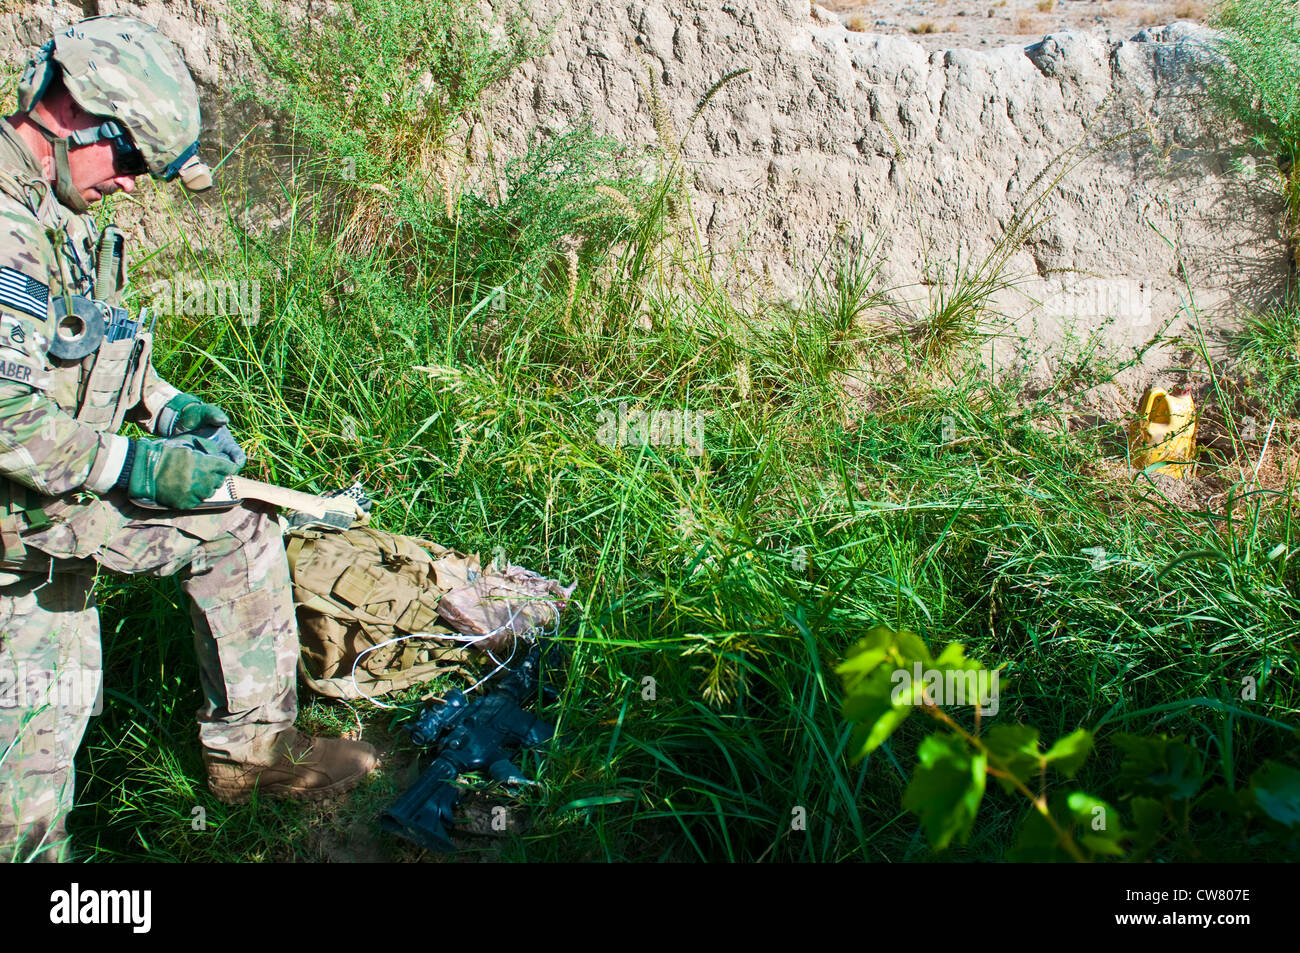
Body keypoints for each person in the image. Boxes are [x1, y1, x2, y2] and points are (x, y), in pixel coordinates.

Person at [0, 14, 375, 863]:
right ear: (75, 116)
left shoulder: (47, 206)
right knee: (23, 813)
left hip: (59, 506)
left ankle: (254, 758)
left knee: (236, 529)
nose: (131, 184)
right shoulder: (5, 227)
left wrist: (168, 411)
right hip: (15, 550)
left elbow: (83, 345)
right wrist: (134, 463)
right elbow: (6, 415)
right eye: (129, 159)